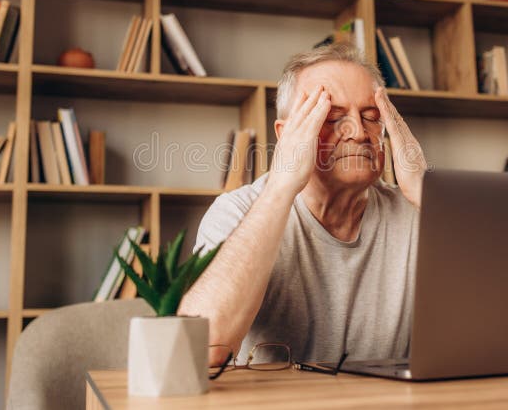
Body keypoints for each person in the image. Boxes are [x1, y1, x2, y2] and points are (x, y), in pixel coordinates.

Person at [178, 42, 429, 365]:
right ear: (286, 135)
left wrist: (427, 194)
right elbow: (203, 348)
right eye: (332, 118)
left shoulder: (418, 213)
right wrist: (281, 185)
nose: (358, 132)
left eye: (371, 117)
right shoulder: (235, 212)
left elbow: (490, 324)